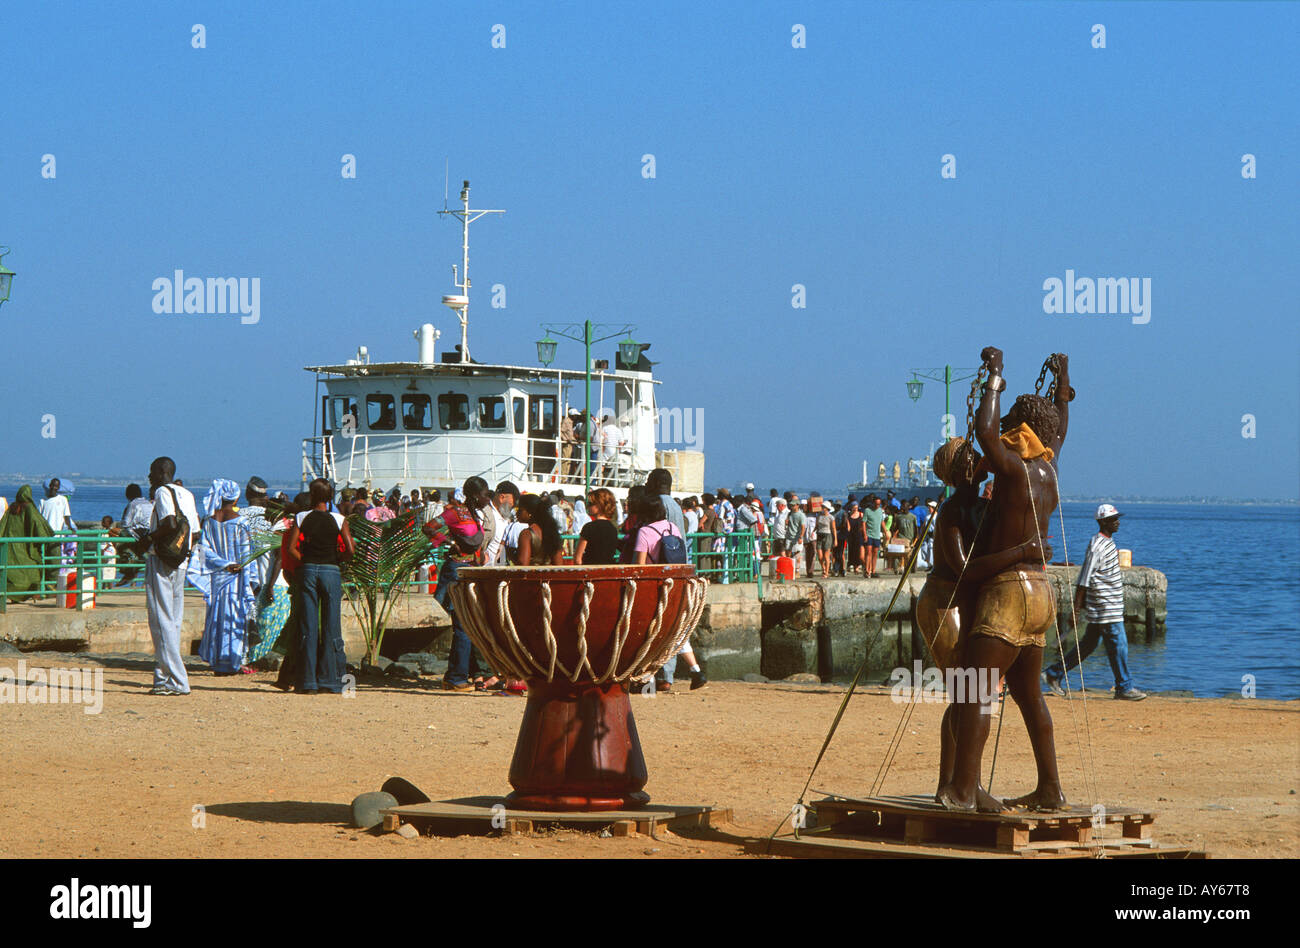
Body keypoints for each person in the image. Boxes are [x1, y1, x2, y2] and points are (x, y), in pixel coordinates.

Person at [941, 347, 1072, 813]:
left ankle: (961, 789)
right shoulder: (1049, 469)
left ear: (1023, 429)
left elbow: (984, 432)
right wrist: (1063, 383)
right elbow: (1060, 425)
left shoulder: (1015, 470)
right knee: (1030, 695)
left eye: (1017, 422)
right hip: (1042, 592)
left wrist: (995, 377)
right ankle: (1051, 788)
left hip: (1009, 591)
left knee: (975, 689)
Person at [918, 436, 1052, 801]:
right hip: (945, 604)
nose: (982, 460)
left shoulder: (980, 505)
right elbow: (963, 568)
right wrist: (1023, 551)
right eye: (974, 458)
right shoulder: (952, 511)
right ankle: (962, 785)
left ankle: (953, 784)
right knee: (965, 694)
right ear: (963, 469)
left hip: (967, 602)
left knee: (965, 695)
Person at [1043, 504, 1146, 701]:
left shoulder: (1109, 543)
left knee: (1087, 646)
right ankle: (1124, 687)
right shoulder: (1097, 546)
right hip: (1105, 607)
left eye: (1117, 518)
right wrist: (1076, 608)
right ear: (1103, 522)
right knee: (1119, 645)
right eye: (1113, 519)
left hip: (1111, 606)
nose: (1117, 522)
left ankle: (1053, 674)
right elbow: (1084, 577)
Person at [285, 477, 355, 694]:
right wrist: (336, 560)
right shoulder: (338, 518)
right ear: (330, 496)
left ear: (312, 495)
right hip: (330, 571)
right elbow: (351, 549)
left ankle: (307, 682)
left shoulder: (301, 517)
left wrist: (304, 560)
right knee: (332, 625)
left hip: (308, 570)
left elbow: (290, 548)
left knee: (309, 625)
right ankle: (334, 681)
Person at [633, 495, 706, 691]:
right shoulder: (672, 527)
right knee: (677, 631)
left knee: (651, 634)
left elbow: (639, 565)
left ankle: (647, 681)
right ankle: (696, 670)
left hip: (654, 588)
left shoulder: (644, 532)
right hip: (676, 585)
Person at [145, 457, 201, 696]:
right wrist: (182, 553)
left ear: (160, 472)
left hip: (162, 561)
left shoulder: (161, 492)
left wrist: (148, 540)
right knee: (173, 620)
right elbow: (196, 532)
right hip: (181, 562)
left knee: (160, 620)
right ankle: (163, 677)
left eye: (151, 472)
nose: (149, 477)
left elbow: (168, 523)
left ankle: (178, 681)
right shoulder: (187, 494)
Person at [194, 479, 257, 676]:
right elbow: (246, 554)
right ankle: (232, 661)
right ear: (236, 497)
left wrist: (221, 564)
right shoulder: (241, 522)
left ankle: (216, 660)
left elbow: (204, 550)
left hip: (217, 578)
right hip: (236, 579)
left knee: (216, 618)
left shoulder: (210, 520)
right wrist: (249, 580)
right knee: (234, 619)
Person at [0, 485, 54, 600]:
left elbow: (2, 527)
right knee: (33, 573)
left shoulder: (12, 509)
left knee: (12, 574)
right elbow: (40, 526)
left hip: (9, 550)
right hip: (25, 550)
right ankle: (34, 595)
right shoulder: (29, 508)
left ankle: (10, 596)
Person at [516, 495, 565, 566]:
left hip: (532, 576)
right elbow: (559, 564)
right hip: (550, 576)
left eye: (520, 509)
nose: (517, 513)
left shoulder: (526, 534)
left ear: (530, 512)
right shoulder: (552, 531)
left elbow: (523, 564)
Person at [575, 488, 619, 565]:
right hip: (607, 571)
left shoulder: (589, 527)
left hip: (590, 570)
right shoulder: (613, 528)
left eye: (590, 503)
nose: (587, 506)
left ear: (599, 505)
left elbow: (577, 558)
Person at [862, 496, 884, 578]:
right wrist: (865, 534)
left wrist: (885, 532)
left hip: (877, 535)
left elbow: (882, 522)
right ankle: (867, 570)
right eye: (876, 504)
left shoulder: (880, 511)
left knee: (875, 553)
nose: (877, 505)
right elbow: (863, 522)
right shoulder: (867, 510)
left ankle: (873, 570)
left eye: (879, 504)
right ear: (873, 503)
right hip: (869, 534)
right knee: (868, 552)